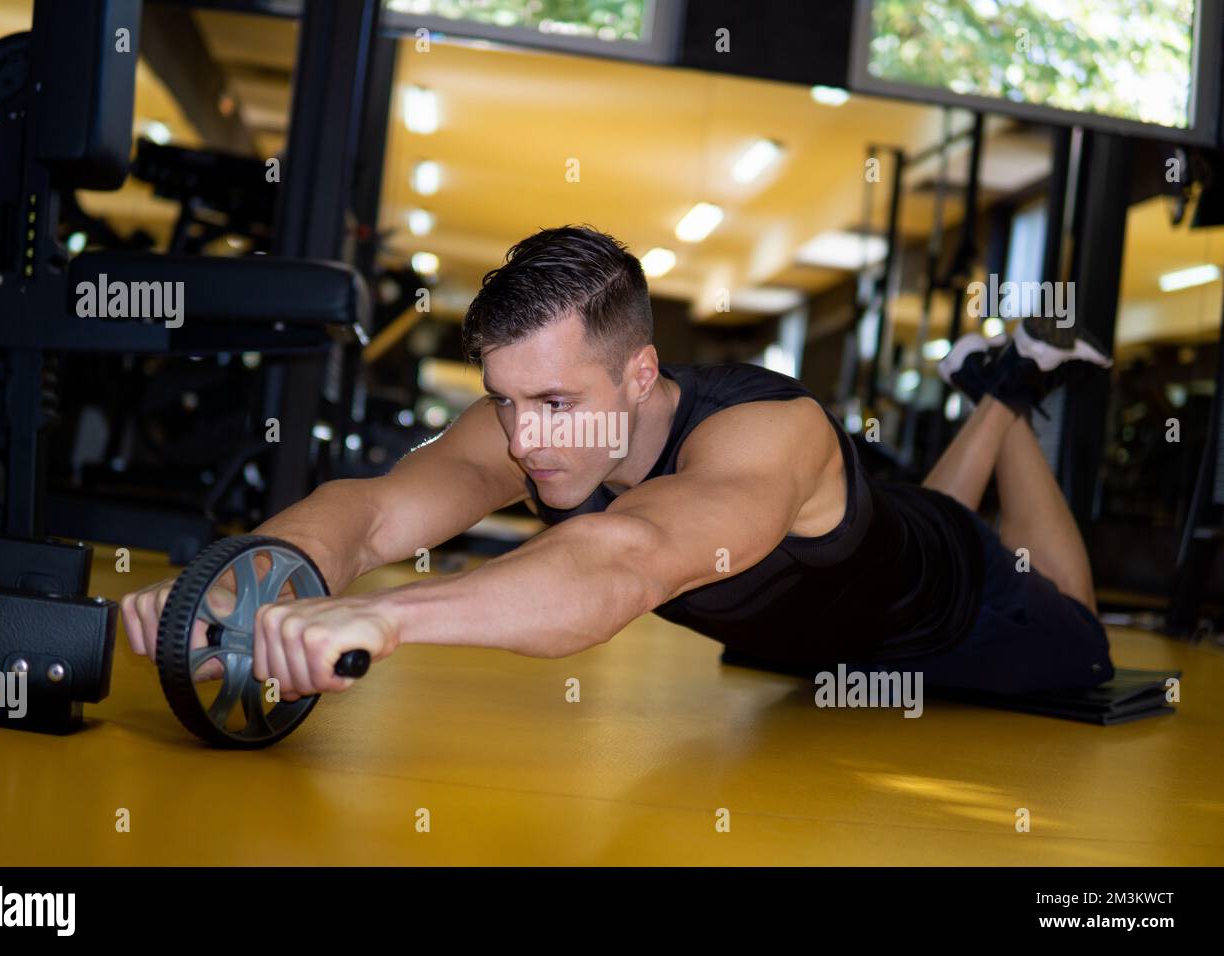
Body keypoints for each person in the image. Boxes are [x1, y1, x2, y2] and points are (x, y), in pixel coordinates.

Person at [121, 225, 1115, 702]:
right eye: (506, 400)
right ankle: (1001, 378)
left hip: (959, 608)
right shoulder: (529, 426)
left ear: (640, 372)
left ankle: (1011, 388)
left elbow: (622, 556)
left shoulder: (767, 430)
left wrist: (384, 614)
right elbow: (375, 514)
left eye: (555, 403)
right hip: (831, 621)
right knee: (880, 546)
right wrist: (238, 579)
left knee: (1076, 618)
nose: (523, 439)